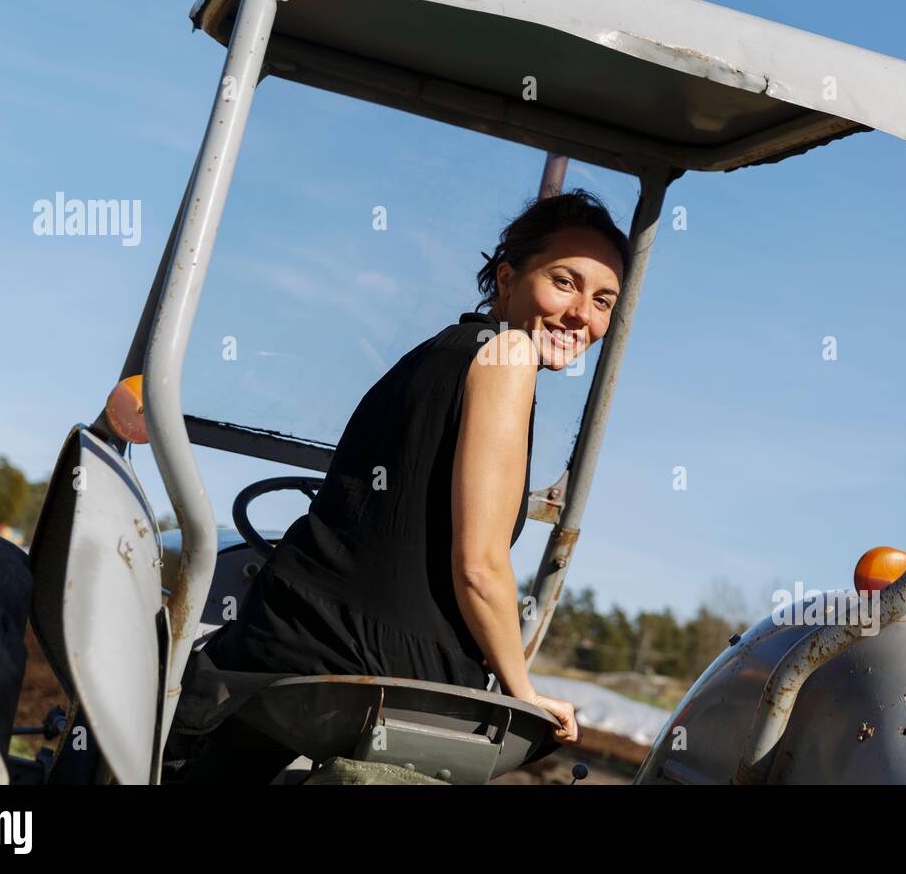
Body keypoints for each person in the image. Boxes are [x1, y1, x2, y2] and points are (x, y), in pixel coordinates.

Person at [165, 188, 629, 783]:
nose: (582, 314)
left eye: (603, 301)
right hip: (384, 670)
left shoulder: (438, 353)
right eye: (565, 282)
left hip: (288, 634)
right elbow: (479, 567)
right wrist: (521, 693)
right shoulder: (508, 354)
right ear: (507, 279)